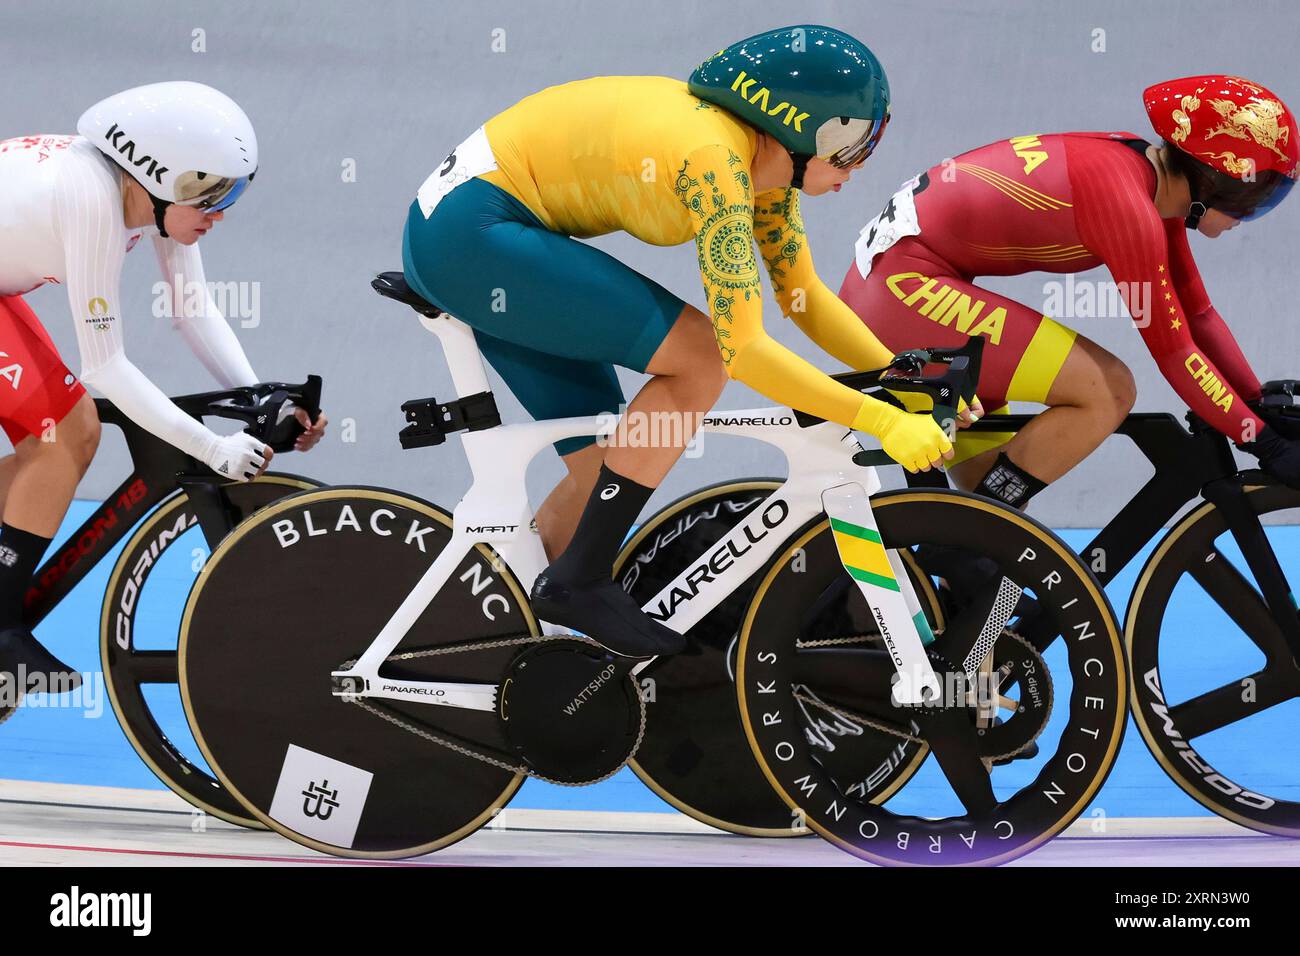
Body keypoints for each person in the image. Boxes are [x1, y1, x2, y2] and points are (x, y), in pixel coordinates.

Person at [402, 25, 967, 659]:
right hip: (471, 237)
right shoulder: (714, 162)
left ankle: (522, 664)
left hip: (469, 230)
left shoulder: (762, 166)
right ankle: (578, 580)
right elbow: (742, 350)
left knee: (606, 466)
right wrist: (880, 421)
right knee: (699, 357)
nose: (858, 165)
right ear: (797, 124)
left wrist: (897, 373)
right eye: (851, 141)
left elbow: (802, 296)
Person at [839, 74, 1300, 509]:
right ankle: (976, 553)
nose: (1253, 211)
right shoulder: (1128, 209)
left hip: (888, 287)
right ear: (1211, 179)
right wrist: (1261, 439)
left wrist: (1255, 403)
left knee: (984, 506)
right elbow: (1175, 350)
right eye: (1255, 194)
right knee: (1107, 389)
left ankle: (966, 566)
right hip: (899, 292)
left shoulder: (1145, 176)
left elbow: (1197, 314)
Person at [0, 81, 327, 687]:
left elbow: (192, 310)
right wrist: (211, 447)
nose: (221, 212)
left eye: (233, 191)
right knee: (66, 435)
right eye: (209, 193)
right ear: (153, 177)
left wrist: (259, 398)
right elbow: (105, 366)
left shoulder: (143, 195)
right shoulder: (91, 200)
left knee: (57, 440)